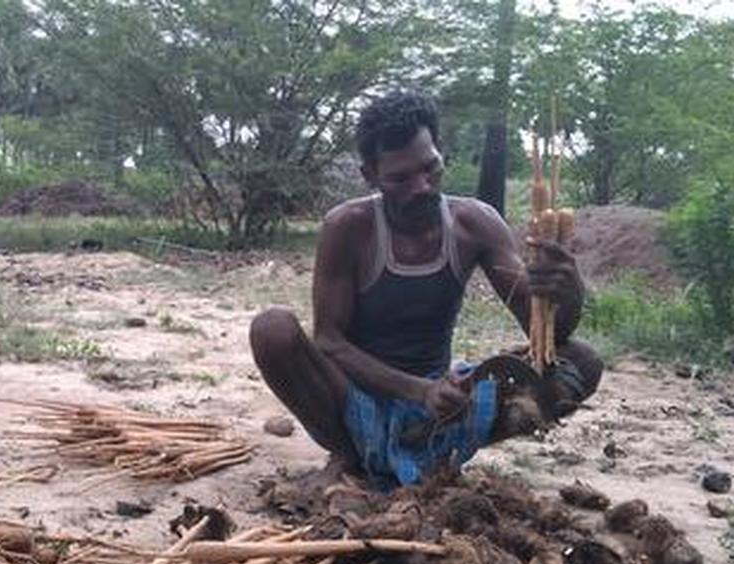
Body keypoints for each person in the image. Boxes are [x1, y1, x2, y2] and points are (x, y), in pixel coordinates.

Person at [250, 89, 602, 490]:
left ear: (441, 154)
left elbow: (545, 339)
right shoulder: (348, 227)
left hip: (445, 403)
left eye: (430, 169)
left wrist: (568, 293)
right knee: (272, 330)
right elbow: (330, 341)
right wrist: (417, 391)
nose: (421, 187)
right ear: (370, 175)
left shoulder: (475, 223)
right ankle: (351, 454)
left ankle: (434, 452)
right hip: (353, 397)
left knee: (583, 362)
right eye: (400, 178)